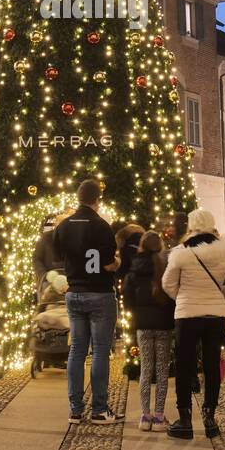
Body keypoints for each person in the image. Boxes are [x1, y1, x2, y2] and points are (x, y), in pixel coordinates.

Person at [161, 207, 225, 439]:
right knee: (211, 364)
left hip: (187, 316)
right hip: (215, 316)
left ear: (191, 225)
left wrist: (183, 298)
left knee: (185, 365)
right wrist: (221, 295)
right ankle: (209, 418)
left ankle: (185, 420)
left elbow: (167, 283)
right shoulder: (224, 253)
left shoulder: (181, 253)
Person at [53, 179, 121, 425]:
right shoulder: (102, 226)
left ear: (78, 198)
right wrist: (117, 265)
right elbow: (107, 263)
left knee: (77, 350)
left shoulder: (64, 225)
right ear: (97, 199)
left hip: (74, 293)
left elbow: (58, 256)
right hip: (100, 294)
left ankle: (75, 409)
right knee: (101, 351)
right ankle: (100, 409)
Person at [125, 230, 174, 431]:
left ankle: (145, 417)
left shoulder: (133, 271)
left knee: (146, 369)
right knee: (162, 370)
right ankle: (159, 416)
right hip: (163, 324)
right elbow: (173, 295)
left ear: (141, 246)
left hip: (142, 325)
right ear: (160, 246)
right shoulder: (167, 268)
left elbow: (128, 302)